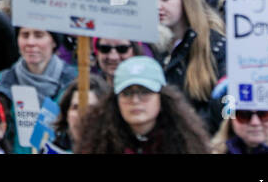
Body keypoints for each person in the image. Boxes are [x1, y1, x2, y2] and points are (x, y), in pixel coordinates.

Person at [77, 56, 212, 154]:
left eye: (145, 92)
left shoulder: (185, 145)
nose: (135, 100)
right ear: (115, 101)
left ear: (162, 97)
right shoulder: (97, 145)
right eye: (127, 93)